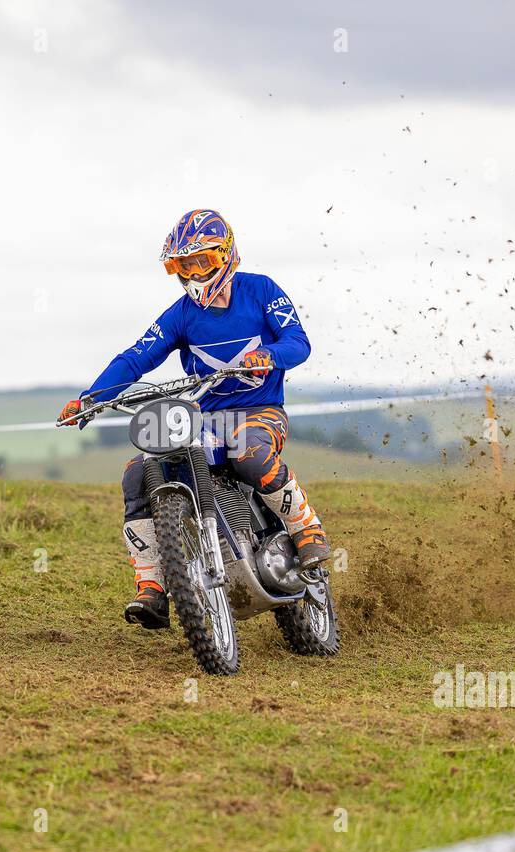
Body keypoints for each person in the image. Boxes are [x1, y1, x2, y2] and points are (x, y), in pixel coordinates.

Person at [58, 209, 330, 629]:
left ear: (225, 256)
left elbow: (299, 342)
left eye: (199, 262)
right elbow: (136, 357)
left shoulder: (261, 291)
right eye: (181, 266)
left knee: (249, 454)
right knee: (137, 473)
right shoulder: (181, 314)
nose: (192, 275)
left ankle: (306, 528)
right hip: (204, 418)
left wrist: (268, 356)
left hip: (261, 412)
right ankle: (151, 585)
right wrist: (89, 398)